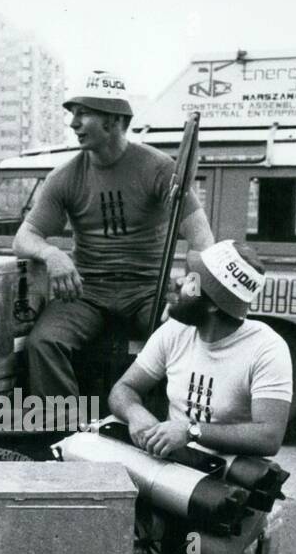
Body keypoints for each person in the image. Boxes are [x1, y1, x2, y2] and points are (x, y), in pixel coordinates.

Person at [108, 240, 293, 554]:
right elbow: (123, 391)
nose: (178, 283)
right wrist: (138, 417)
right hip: (167, 471)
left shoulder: (267, 348)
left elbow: (269, 436)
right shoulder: (175, 331)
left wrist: (189, 431)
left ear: (209, 303)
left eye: (190, 281)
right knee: (103, 521)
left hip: (230, 491)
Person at [14, 69, 216, 401]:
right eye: (72, 114)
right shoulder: (64, 176)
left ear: (112, 120)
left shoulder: (158, 168)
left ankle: (171, 428)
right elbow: (24, 237)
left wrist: (189, 289)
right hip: (88, 291)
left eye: (83, 113)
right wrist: (53, 255)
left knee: (186, 338)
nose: (73, 124)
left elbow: (202, 240)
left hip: (148, 289)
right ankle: (62, 436)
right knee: (44, 343)